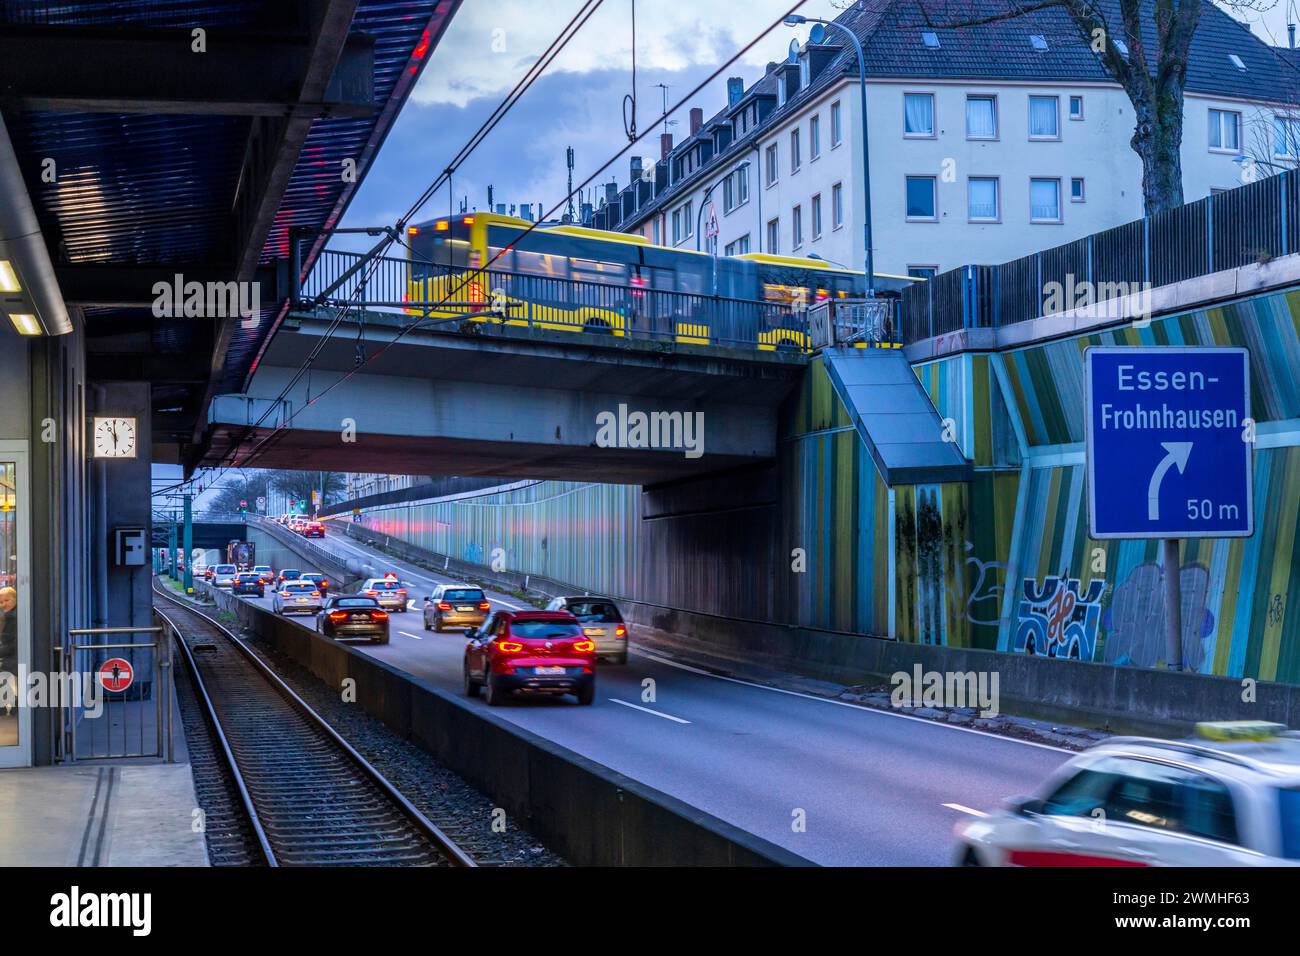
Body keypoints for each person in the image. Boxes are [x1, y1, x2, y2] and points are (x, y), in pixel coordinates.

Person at [0, 587, 16, 716]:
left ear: (15, 599)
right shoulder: (9, 616)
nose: (4, 604)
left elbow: (11, 644)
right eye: (1, 602)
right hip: (11, 655)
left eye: (7, 600)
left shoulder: (12, 618)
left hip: (14, 657)